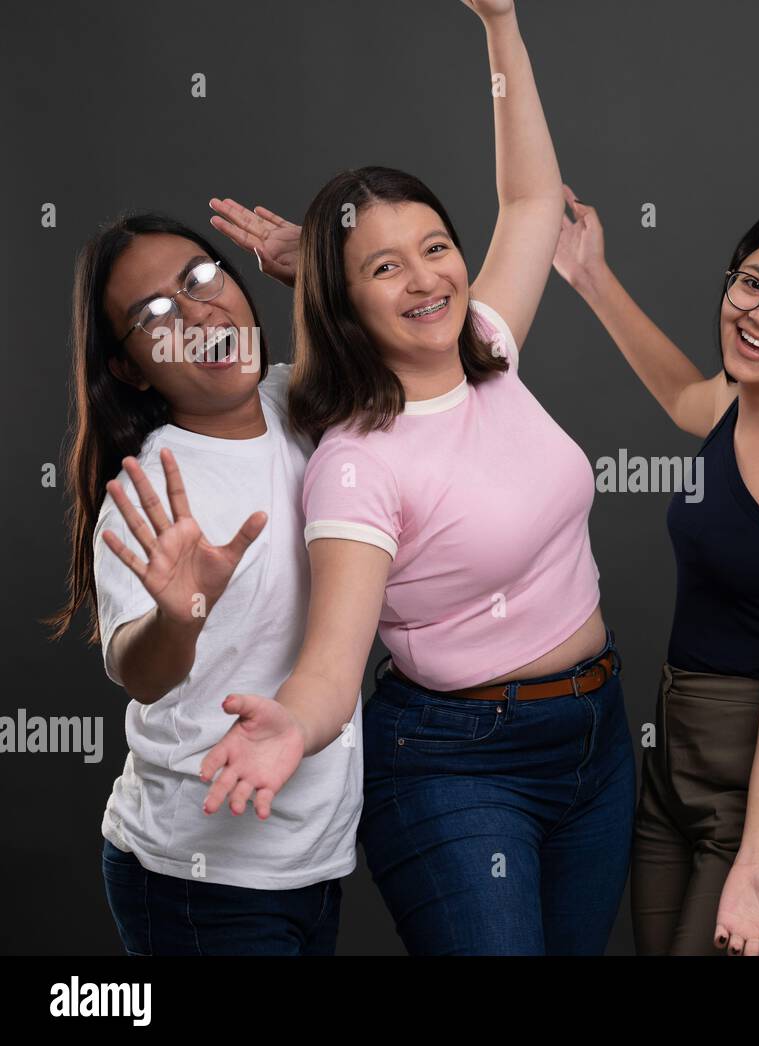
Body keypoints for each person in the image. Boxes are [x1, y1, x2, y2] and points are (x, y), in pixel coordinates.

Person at [196, 0, 636, 956]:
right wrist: (293, 727)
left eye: (436, 247)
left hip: (598, 737)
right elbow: (331, 662)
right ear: (344, 301)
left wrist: (501, 24)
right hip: (455, 765)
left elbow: (528, 202)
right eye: (383, 267)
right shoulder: (357, 466)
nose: (426, 277)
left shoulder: (485, 342)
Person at [552, 181, 759, 954]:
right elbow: (681, 394)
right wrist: (592, 279)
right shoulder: (739, 401)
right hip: (675, 765)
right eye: (752, 284)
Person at [48, 214, 361, 955]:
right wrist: (181, 612)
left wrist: (316, 272)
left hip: (313, 857)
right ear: (131, 367)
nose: (192, 312)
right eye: (152, 314)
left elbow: (411, 345)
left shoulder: (298, 404)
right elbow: (139, 671)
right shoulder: (152, 486)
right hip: (200, 875)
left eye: (199, 278)